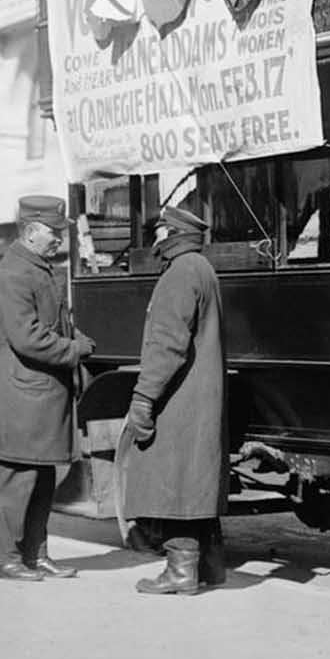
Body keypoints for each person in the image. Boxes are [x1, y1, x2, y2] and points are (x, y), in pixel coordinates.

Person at [0, 195, 95, 581]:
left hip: (35, 398)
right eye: (55, 232)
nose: (60, 239)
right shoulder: (13, 276)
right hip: (20, 399)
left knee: (39, 480)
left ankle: (34, 556)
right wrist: (74, 349)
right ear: (30, 232)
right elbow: (28, 338)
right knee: (13, 481)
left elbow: (51, 325)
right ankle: (3, 559)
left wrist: (77, 338)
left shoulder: (36, 269)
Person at [123, 205, 228, 595]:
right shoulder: (201, 268)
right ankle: (210, 567)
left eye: (158, 233)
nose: (153, 240)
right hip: (200, 395)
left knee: (175, 480)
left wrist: (143, 397)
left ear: (170, 234)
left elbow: (166, 345)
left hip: (179, 397)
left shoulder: (179, 274)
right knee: (195, 479)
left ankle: (180, 572)